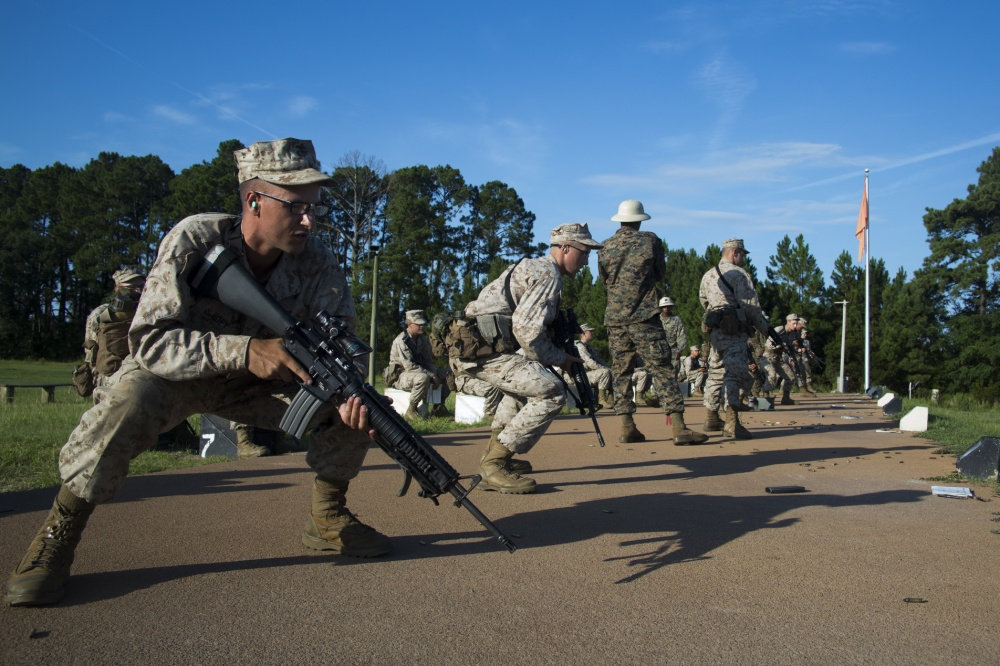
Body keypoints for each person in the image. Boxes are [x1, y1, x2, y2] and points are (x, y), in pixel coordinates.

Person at [5, 138, 387, 608]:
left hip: (259, 389)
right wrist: (244, 351)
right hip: (176, 376)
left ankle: (328, 518)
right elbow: (148, 341)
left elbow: (341, 340)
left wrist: (344, 392)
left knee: (356, 403)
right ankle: (55, 537)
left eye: (314, 208)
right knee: (129, 401)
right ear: (254, 200)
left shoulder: (319, 263)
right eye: (295, 207)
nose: (309, 220)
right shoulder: (197, 238)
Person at [453, 223, 600, 494]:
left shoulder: (531, 267)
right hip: (484, 353)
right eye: (584, 252)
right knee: (552, 391)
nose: (586, 261)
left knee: (520, 391)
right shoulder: (548, 274)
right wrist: (561, 359)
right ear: (565, 248)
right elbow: (527, 331)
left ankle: (495, 457)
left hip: (478, 349)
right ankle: (493, 465)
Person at [599, 200, 707, 445]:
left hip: (615, 319)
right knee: (662, 368)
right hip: (644, 315)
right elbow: (660, 273)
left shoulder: (605, 247)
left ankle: (627, 427)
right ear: (639, 220)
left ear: (620, 220)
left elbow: (605, 280)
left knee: (621, 371)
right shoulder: (650, 241)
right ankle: (679, 428)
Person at [698, 238, 771, 439]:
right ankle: (732, 422)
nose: (743, 260)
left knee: (716, 372)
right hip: (734, 330)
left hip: (715, 331)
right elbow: (751, 306)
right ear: (734, 253)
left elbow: (704, 301)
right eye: (742, 255)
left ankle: (711, 416)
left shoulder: (708, 274)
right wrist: (764, 329)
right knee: (737, 374)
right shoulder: (739, 275)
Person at [79, 266, 147, 394]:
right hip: (109, 377)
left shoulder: (149, 312)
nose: (137, 290)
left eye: (141, 286)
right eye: (131, 286)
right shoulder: (100, 314)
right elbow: (91, 352)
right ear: (117, 288)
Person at [384, 309, 452, 419]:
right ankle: (411, 409)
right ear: (409, 324)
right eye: (418, 324)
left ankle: (439, 406)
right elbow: (409, 366)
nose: (422, 327)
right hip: (401, 375)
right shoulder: (402, 340)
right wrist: (432, 376)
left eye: (422, 324)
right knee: (423, 378)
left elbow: (428, 361)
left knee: (448, 373)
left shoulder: (423, 339)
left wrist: (435, 374)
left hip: (418, 372)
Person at [572, 323, 614, 408]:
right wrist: (606, 369)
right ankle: (601, 400)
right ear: (583, 333)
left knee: (611, 372)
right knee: (604, 372)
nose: (593, 333)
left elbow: (599, 360)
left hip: (588, 374)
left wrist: (610, 368)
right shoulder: (579, 346)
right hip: (580, 376)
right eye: (590, 332)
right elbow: (590, 363)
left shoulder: (588, 347)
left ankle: (611, 399)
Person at [764, 313, 802, 405]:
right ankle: (766, 398)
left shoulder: (791, 334)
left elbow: (790, 349)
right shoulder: (779, 330)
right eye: (794, 323)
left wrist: (791, 358)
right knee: (772, 375)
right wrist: (780, 346)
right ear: (788, 322)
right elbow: (769, 344)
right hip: (769, 357)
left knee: (791, 377)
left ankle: (786, 398)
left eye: (797, 323)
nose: (795, 325)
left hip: (778, 358)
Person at [658, 296, 687, 377]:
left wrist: (679, 351)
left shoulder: (676, 320)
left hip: (673, 351)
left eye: (668, 306)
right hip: (659, 350)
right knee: (660, 376)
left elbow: (681, 336)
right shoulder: (656, 320)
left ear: (671, 307)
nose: (666, 308)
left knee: (673, 374)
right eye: (664, 306)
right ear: (661, 307)